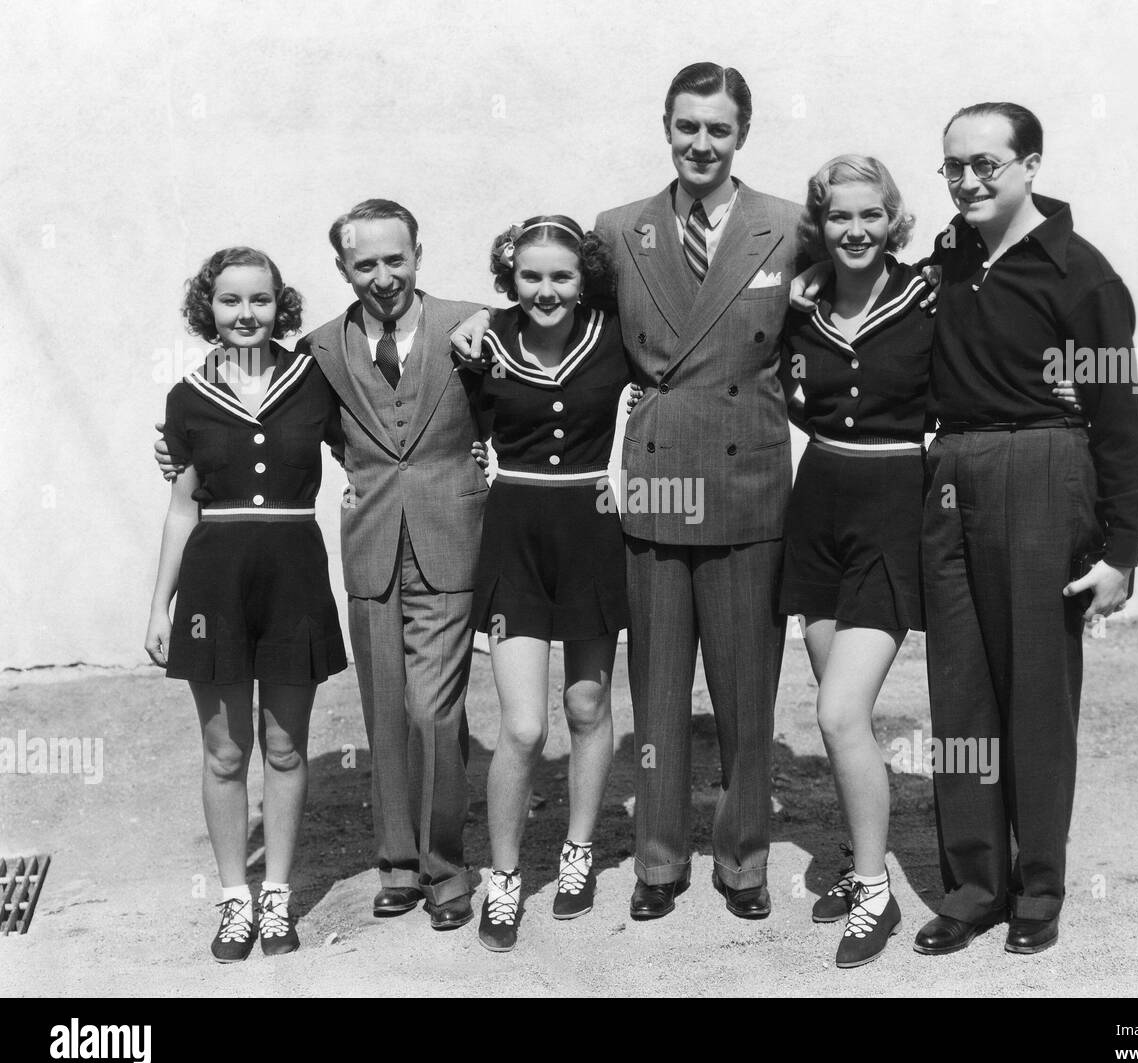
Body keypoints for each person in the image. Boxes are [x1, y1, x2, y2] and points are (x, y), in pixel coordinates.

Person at [800, 104, 1138, 956]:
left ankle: (1038, 890)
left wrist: (1122, 548)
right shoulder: (949, 259)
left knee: (1034, 691)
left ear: (1030, 164)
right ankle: (973, 885)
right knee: (960, 695)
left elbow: (1118, 418)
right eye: (953, 166)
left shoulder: (1081, 273)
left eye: (986, 165)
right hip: (949, 473)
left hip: (1042, 470)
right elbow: (863, 293)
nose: (968, 181)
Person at [457, 64, 805, 923]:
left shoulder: (790, 227)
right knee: (652, 693)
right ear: (666, 127)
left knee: (744, 690)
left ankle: (744, 860)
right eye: (687, 126)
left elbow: (863, 308)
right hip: (651, 487)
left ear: (742, 135)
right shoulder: (618, 232)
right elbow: (550, 310)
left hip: (745, 482)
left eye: (718, 129)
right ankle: (657, 861)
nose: (701, 144)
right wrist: (472, 319)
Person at [157, 200, 490, 931]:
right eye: (364, 263)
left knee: (434, 713)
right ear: (343, 269)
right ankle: (397, 864)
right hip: (368, 549)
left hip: (449, 539)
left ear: (418, 254)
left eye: (394, 259)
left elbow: (527, 377)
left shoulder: (472, 322)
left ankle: (445, 866)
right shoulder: (320, 353)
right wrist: (177, 457)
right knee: (385, 712)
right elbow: (263, 431)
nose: (382, 276)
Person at [146, 247, 347, 961]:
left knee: (286, 745)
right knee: (225, 750)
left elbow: (369, 454)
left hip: (294, 575)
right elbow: (179, 508)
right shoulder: (187, 397)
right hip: (214, 584)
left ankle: (277, 896)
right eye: (230, 302)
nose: (246, 315)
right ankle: (235, 898)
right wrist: (158, 607)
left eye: (259, 301)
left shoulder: (313, 382)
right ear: (209, 309)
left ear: (279, 305)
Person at [776, 155, 931, 967]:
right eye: (840, 217)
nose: (857, 230)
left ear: (893, 218)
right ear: (821, 224)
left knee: (838, 714)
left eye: (871, 215)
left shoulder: (928, 295)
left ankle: (876, 890)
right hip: (819, 505)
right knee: (844, 716)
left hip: (893, 508)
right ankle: (859, 853)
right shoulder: (798, 305)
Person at [469, 216, 629, 951]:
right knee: (526, 724)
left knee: (588, 703)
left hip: (593, 532)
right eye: (531, 276)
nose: (546, 290)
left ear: (583, 278)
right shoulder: (483, 340)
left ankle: (577, 852)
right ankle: (503, 877)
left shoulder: (617, 334)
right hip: (516, 535)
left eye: (561, 276)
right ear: (511, 278)